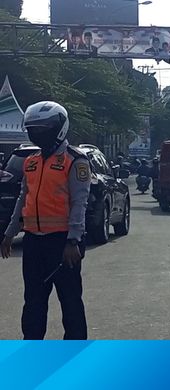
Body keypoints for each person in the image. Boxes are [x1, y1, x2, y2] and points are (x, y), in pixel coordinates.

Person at [0, 101, 91, 340]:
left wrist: (73, 240)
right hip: (33, 242)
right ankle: (32, 350)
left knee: (70, 300)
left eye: (43, 128)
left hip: (63, 243)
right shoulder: (31, 161)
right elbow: (23, 198)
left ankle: (74, 352)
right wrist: (9, 233)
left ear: (59, 127)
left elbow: (79, 202)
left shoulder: (75, 160)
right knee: (33, 300)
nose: (37, 133)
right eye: (33, 129)